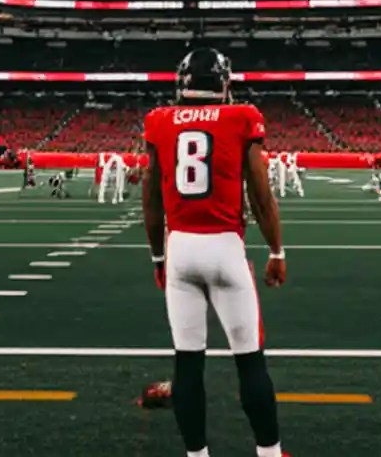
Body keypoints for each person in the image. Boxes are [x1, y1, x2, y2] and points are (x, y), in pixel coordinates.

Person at [142, 48, 288, 457]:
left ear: (182, 82)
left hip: (180, 249)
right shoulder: (242, 116)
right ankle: (270, 454)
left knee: (188, 364)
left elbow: (150, 200)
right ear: (224, 82)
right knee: (250, 361)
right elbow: (261, 195)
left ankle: (197, 456)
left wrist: (157, 258)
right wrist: (276, 250)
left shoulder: (159, 121)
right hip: (225, 247)